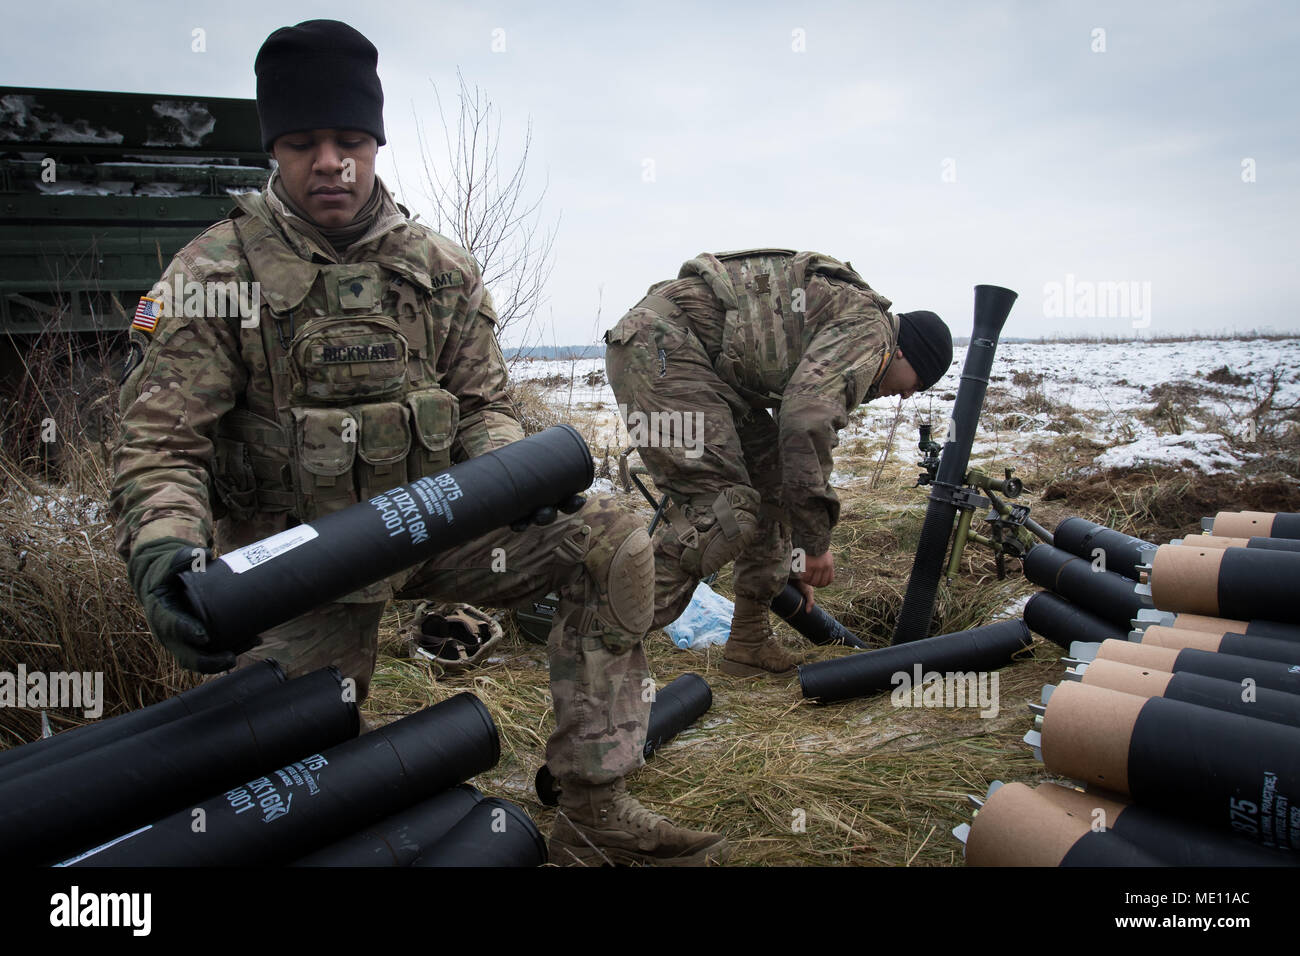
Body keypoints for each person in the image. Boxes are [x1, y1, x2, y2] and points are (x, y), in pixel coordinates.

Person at [110, 19, 726, 867]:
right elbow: (160, 448)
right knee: (299, 783)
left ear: (376, 141)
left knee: (613, 537)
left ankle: (594, 802)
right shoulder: (214, 279)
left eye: (350, 139)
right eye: (303, 142)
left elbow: (482, 404)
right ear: (275, 151)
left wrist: (513, 468)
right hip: (295, 570)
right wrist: (167, 557)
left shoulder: (437, 268)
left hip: (436, 532)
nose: (330, 161)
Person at [605, 249, 952, 676]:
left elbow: (792, 445)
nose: (905, 396)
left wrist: (791, 560)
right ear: (904, 353)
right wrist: (814, 545)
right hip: (661, 348)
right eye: (917, 383)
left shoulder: (855, 320)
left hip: (698, 362)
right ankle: (602, 636)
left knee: (770, 484)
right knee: (719, 512)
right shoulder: (871, 333)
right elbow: (807, 421)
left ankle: (749, 639)